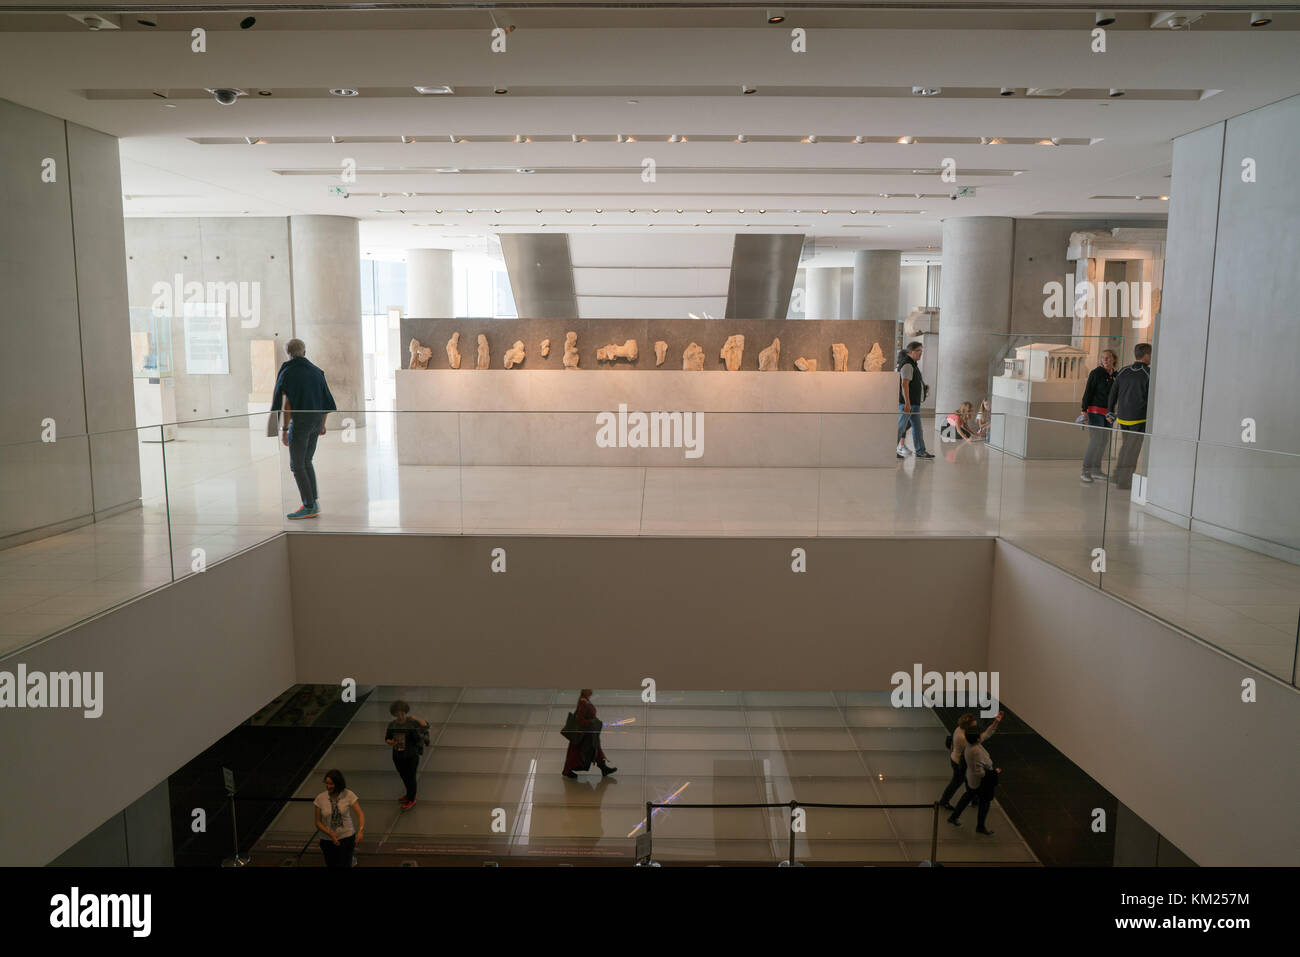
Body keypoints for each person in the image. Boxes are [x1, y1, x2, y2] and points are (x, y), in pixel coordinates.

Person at [271, 338, 337, 520]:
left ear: (289, 354)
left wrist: (284, 429)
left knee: (296, 464)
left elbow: (287, 404)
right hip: (316, 420)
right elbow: (326, 401)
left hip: (300, 423)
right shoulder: (316, 372)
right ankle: (312, 501)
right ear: (304, 351)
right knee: (307, 460)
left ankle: (309, 505)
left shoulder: (288, 372)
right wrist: (322, 424)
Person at [1107, 343, 1152, 491]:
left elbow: (1113, 392)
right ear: (1146, 355)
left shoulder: (1124, 370)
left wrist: (1110, 411)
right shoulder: (1148, 373)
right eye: (1150, 354)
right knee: (1132, 450)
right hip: (1138, 418)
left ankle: (1117, 475)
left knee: (1126, 447)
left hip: (1123, 417)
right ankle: (1124, 481)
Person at [939, 710, 1003, 810]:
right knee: (959, 783)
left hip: (956, 760)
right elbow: (982, 737)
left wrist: (995, 723)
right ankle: (945, 802)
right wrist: (995, 723)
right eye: (973, 725)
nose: (975, 727)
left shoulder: (959, 729)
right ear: (968, 726)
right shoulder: (964, 738)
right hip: (960, 764)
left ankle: (973, 800)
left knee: (963, 782)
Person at [947, 729, 999, 835]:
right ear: (977, 739)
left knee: (967, 797)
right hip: (979, 782)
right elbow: (979, 772)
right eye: (979, 736)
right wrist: (994, 772)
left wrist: (995, 723)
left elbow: (986, 734)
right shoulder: (975, 751)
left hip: (972, 780)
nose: (981, 736)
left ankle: (953, 817)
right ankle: (980, 827)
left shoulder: (970, 745)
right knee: (985, 802)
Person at [1079, 349, 1118, 484]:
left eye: (1108, 358)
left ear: (1114, 359)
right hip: (1094, 412)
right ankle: (1086, 471)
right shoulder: (1096, 373)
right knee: (1096, 441)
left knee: (1103, 442)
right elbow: (1088, 392)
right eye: (1103, 358)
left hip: (1109, 414)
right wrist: (1084, 411)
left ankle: (1096, 470)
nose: (1105, 360)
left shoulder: (1116, 375)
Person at [385, 700, 431, 810]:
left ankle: (412, 799)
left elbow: (426, 725)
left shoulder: (412, 723)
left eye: (402, 713)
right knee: (403, 776)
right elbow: (387, 738)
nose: (400, 715)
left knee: (410, 777)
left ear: (406, 712)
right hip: (398, 755)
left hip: (411, 755)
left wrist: (414, 718)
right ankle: (408, 795)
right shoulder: (392, 725)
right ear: (394, 714)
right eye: (397, 713)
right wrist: (391, 742)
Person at [313, 769, 364, 867]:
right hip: (327, 840)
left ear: (338, 783)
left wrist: (360, 830)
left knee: (345, 864)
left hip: (347, 838)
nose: (328, 786)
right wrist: (330, 834)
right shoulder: (320, 798)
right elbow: (318, 822)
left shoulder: (348, 794)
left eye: (331, 784)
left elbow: (360, 814)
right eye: (326, 783)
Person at [562, 689, 617, 778]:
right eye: (588, 689)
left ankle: (604, 768)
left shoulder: (585, 701)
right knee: (577, 753)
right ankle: (567, 771)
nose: (591, 690)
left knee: (595, 749)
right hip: (584, 735)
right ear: (584, 691)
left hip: (588, 734)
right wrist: (591, 722)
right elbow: (580, 718)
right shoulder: (583, 702)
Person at [896, 341, 933, 459]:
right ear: (910, 352)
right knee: (900, 427)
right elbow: (904, 384)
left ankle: (921, 451)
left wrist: (923, 388)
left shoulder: (913, 364)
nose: (921, 353)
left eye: (921, 351)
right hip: (908, 404)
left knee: (917, 429)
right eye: (918, 351)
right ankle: (890, 450)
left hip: (914, 404)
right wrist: (907, 403)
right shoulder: (907, 364)